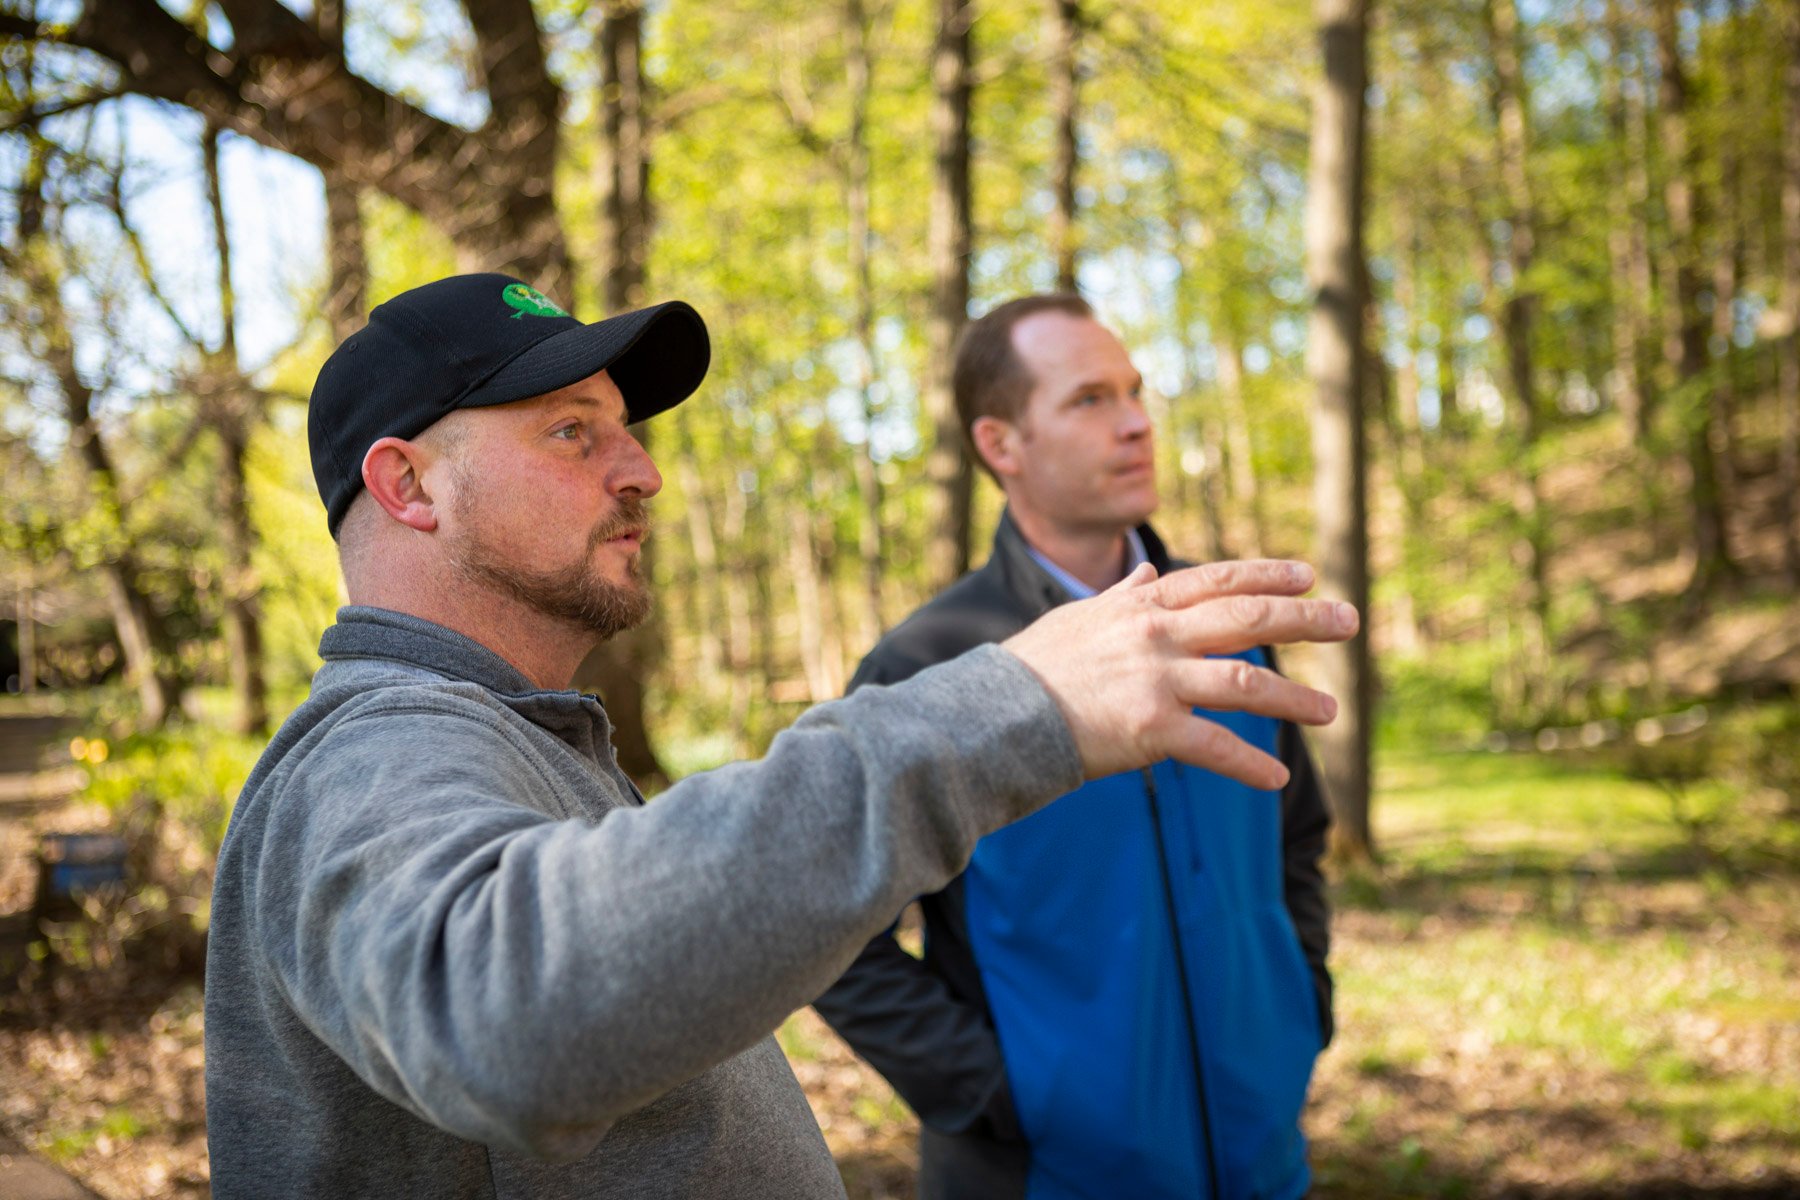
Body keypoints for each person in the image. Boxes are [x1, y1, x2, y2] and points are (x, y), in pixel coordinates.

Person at [202, 273, 1356, 1200]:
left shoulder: (530, 741)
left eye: (628, 432)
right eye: (572, 432)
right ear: (408, 487)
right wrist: (1023, 703)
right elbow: (501, 1017)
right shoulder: (367, 754)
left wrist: (1291, 1011)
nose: (642, 472)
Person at [814, 294, 1335, 1200]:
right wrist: (1000, 1090)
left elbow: (1295, 840)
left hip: (1262, 1161)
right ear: (1001, 445)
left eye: (1135, 392)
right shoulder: (931, 664)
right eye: (1090, 400)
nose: (1136, 423)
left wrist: (1299, 1011)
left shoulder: (1229, 625)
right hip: (1042, 1174)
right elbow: (826, 923)